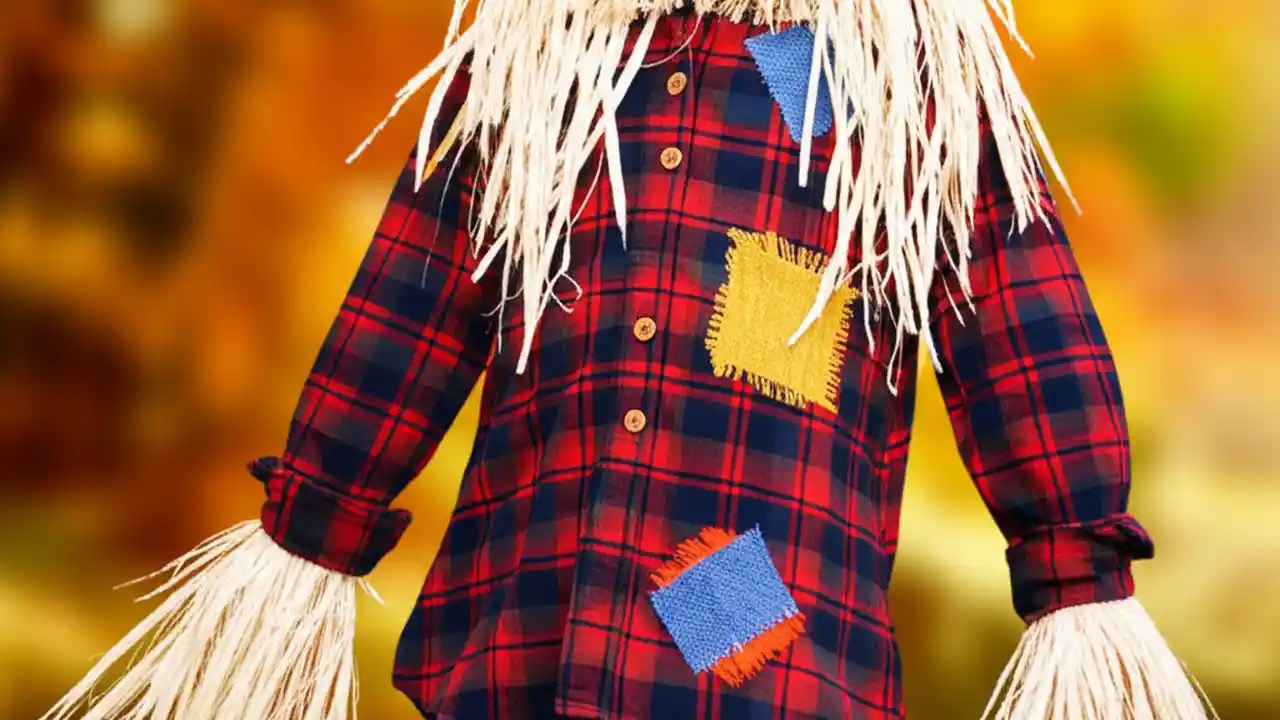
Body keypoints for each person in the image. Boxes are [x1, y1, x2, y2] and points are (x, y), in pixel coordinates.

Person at [43, 0, 1216, 718]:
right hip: (519, 635)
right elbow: (410, 299)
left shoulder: (895, 85)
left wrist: (1074, 575)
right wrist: (315, 526)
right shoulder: (535, 69)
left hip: (761, 647)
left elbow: (1020, 324)